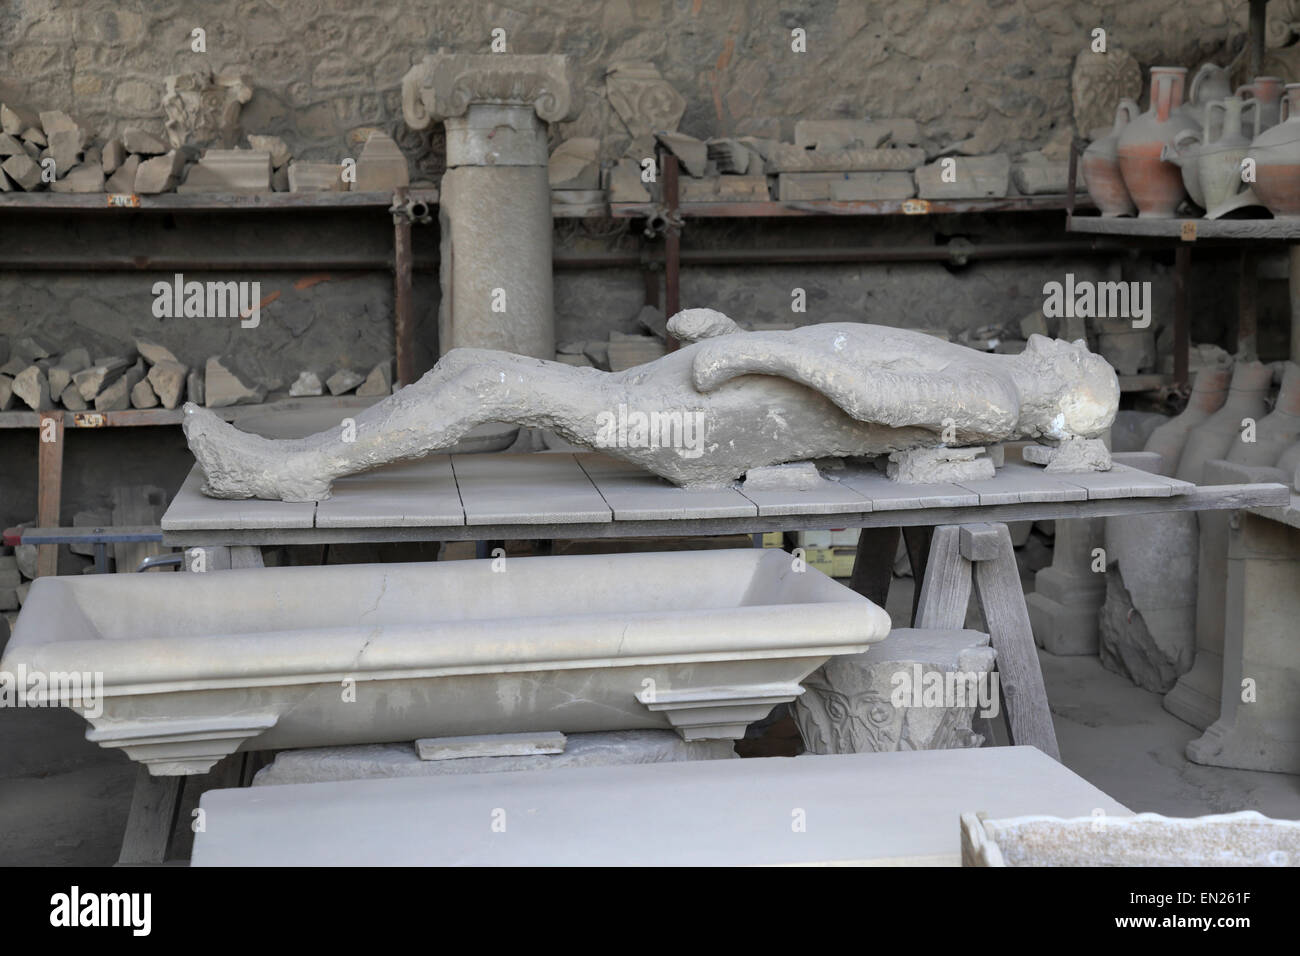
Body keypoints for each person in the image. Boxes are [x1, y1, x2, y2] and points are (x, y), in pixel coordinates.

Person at [183, 308, 1118, 501]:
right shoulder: (979, 368)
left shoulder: (991, 395)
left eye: (1085, 360)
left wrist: (746, 348)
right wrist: (736, 332)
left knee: (500, 383)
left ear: (1069, 398)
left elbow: (866, 393)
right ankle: (317, 456)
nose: (1075, 341)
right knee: (477, 358)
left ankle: (290, 471)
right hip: (716, 387)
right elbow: (849, 373)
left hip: (706, 425)